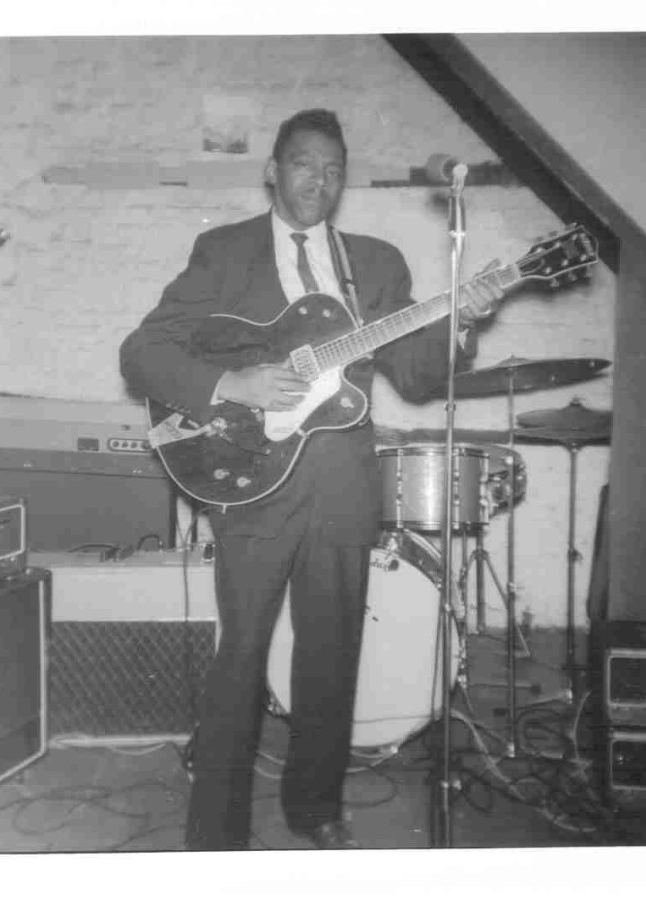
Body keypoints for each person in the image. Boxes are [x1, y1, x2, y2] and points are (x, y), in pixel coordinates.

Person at [120, 109, 501, 850]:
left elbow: (416, 377)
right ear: (273, 170)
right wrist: (232, 382)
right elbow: (143, 352)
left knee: (331, 652)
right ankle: (217, 833)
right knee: (242, 654)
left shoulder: (376, 264)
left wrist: (463, 321)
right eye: (303, 164)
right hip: (252, 476)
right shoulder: (224, 252)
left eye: (332, 170)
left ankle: (315, 807)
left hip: (342, 481)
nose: (317, 181)